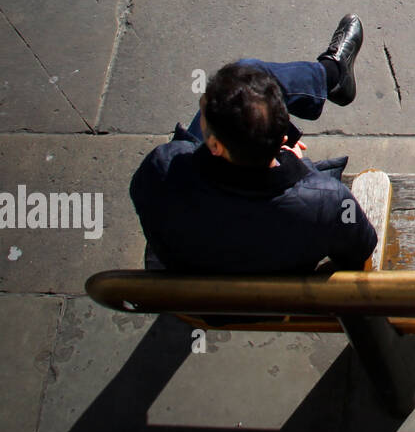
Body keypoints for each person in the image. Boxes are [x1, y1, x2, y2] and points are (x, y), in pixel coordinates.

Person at [130, 15, 376, 274]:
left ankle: (330, 76)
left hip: (191, 298)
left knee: (245, 76)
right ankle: (332, 74)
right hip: (275, 303)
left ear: (215, 146)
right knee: (249, 74)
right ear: (283, 140)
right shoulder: (328, 199)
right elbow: (358, 251)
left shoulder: (163, 168)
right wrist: (299, 169)